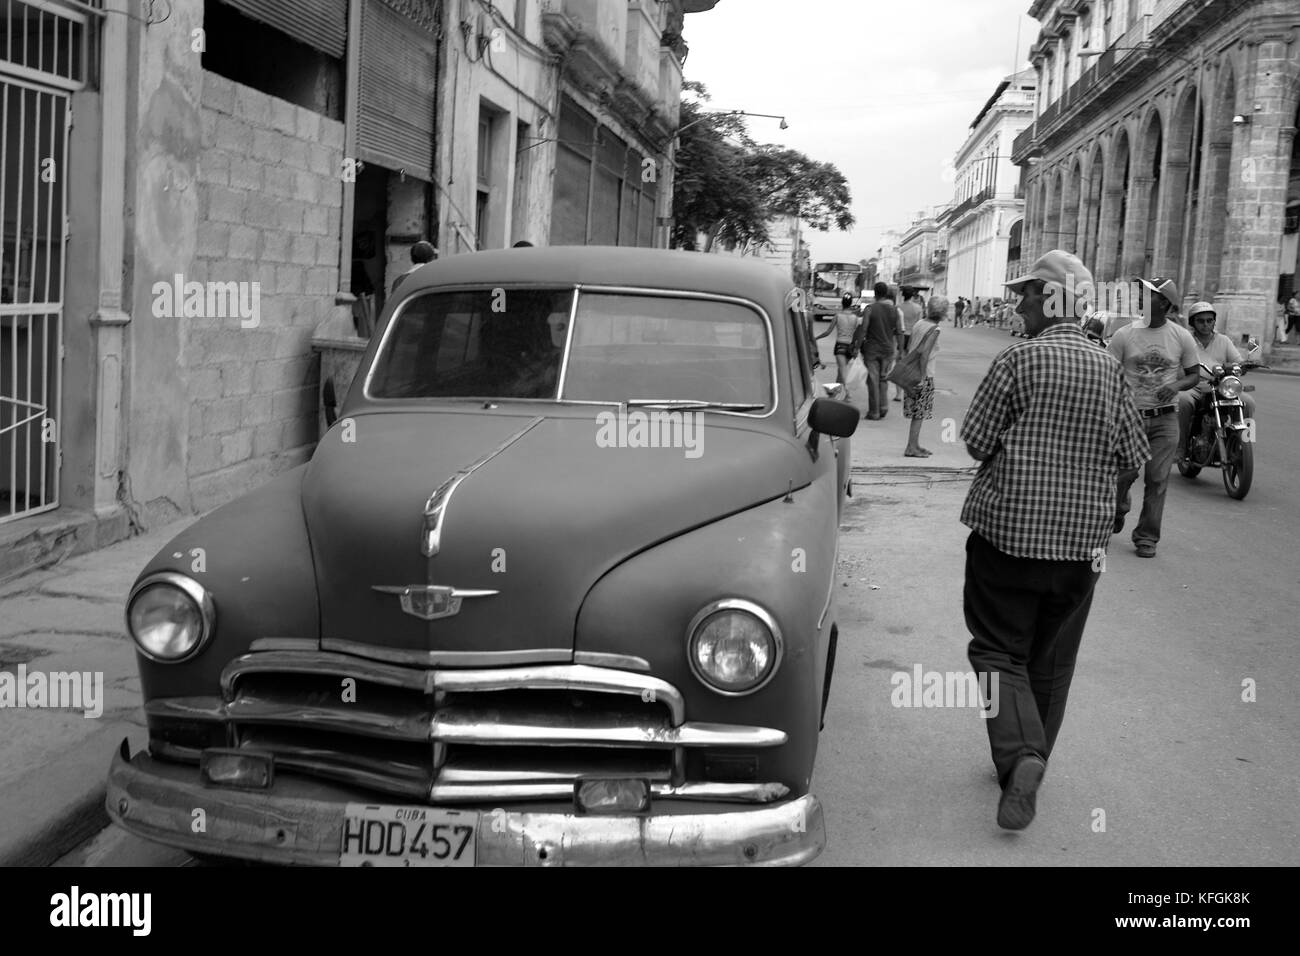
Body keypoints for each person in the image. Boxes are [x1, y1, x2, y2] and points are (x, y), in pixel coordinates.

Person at [960, 249, 1149, 830]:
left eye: (1024, 293)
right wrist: (1106, 507)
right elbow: (1132, 456)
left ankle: (1020, 757)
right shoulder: (1108, 368)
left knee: (997, 649)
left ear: (1050, 299)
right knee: (1051, 659)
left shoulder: (1018, 359)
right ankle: (1028, 759)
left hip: (1008, 537)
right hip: (1080, 548)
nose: (1017, 304)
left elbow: (975, 440)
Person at [1109, 276, 1200, 558]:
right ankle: (1118, 507)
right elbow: (1108, 372)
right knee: (1124, 474)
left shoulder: (1181, 336)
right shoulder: (1125, 334)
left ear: (1164, 302)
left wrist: (1175, 386)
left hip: (1165, 419)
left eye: (1147, 294)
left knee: (1158, 479)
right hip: (1130, 418)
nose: (1140, 298)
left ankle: (1146, 537)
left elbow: (1195, 374)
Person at [1177, 301, 1257, 459]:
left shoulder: (1224, 340)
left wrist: (1244, 365)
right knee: (1183, 401)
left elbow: (1237, 361)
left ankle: (1244, 443)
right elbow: (1178, 365)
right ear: (1193, 322)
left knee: (1248, 402)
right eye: (1200, 321)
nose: (1206, 325)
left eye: (1209, 320)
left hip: (1221, 386)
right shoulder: (1185, 340)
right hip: (1194, 384)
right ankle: (1181, 447)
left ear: (1214, 321)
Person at [902, 294, 944, 456]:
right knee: (919, 413)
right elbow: (924, 353)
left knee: (916, 413)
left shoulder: (920, 323)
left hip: (911, 372)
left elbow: (910, 347)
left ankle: (914, 445)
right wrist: (921, 378)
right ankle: (911, 448)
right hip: (923, 374)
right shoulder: (935, 329)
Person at [860, 282, 901, 420]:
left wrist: (856, 346)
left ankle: (874, 412)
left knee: (872, 380)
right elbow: (899, 331)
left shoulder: (870, 309)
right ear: (886, 293)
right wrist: (900, 349)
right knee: (883, 379)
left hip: (872, 350)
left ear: (875, 293)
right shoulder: (894, 310)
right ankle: (884, 407)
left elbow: (864, 329)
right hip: (888, 350)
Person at [893, 287, 923, 402]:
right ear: (913, 295)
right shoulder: (918, 308)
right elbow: (919, 326)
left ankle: (898, 394)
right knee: (911, 365)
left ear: (903, 294)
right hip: (913, 337)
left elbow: (896, 326)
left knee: (899, 364)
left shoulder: (898, 307)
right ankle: (909, 391)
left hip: (901, 336)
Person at [832, 292, 863, 387]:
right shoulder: (856, 318)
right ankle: (836, 393)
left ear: (842, 303)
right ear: (851, 304)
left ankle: (848, 395)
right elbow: (859, 334)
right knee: (840, 370)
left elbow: (827, 332)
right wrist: (857, 348)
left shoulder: (837, 316)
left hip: (840, 346)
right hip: (850, 347)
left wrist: (817, 337)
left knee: (843, 370)